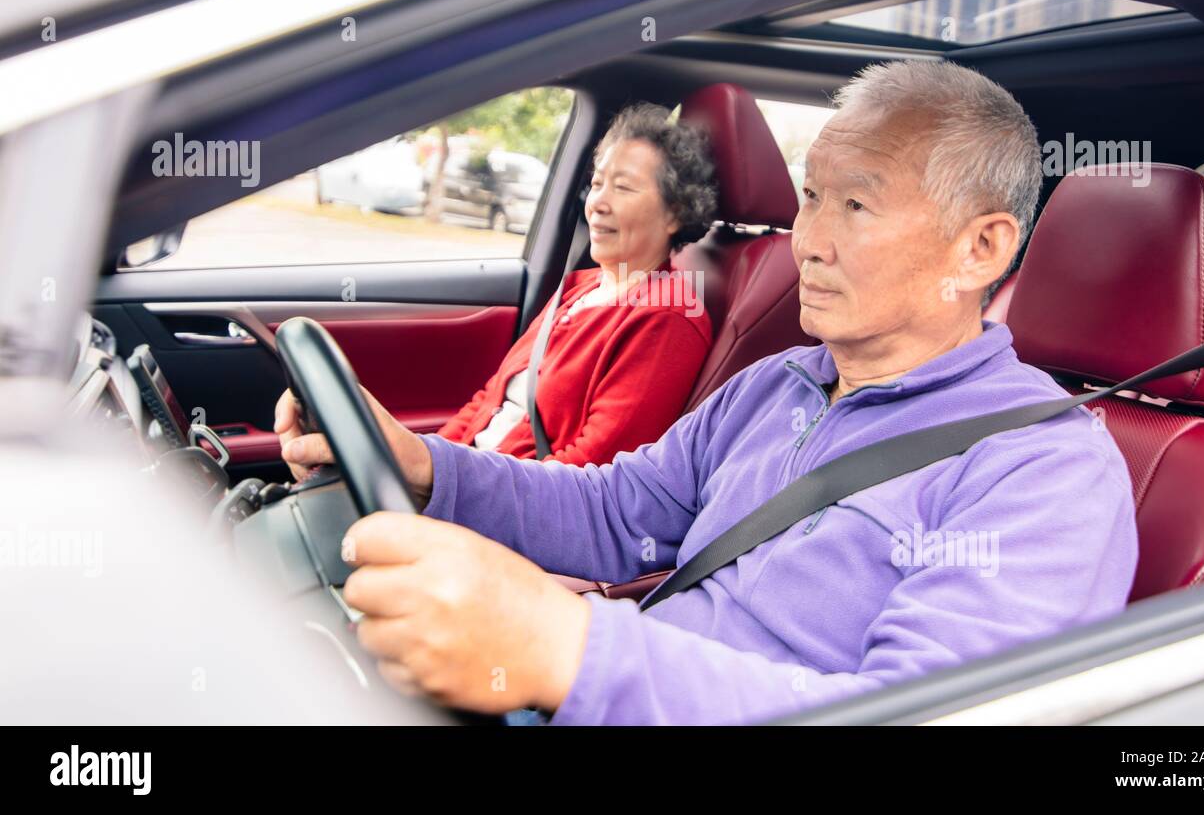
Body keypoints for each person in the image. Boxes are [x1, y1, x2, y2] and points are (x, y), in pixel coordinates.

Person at [276, 60, 1138, 725]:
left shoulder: (1046, 473)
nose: (809, 240)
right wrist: (424, 464)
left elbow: (917, 713)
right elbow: (617, 515)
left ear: (980, 250)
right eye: (810, 197)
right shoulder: (780, 383)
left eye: (857, 208)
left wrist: (567, 651)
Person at [435, 104, 717, 466]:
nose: (598, 202)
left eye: (623, 187)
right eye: (597, 184)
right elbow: (488, 402)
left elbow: (591, 470)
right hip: (474, 478)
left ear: (676, 213)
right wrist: (424, 464)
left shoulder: (668, 318)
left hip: (520, 509)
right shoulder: (579, 288)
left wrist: (449, 481)